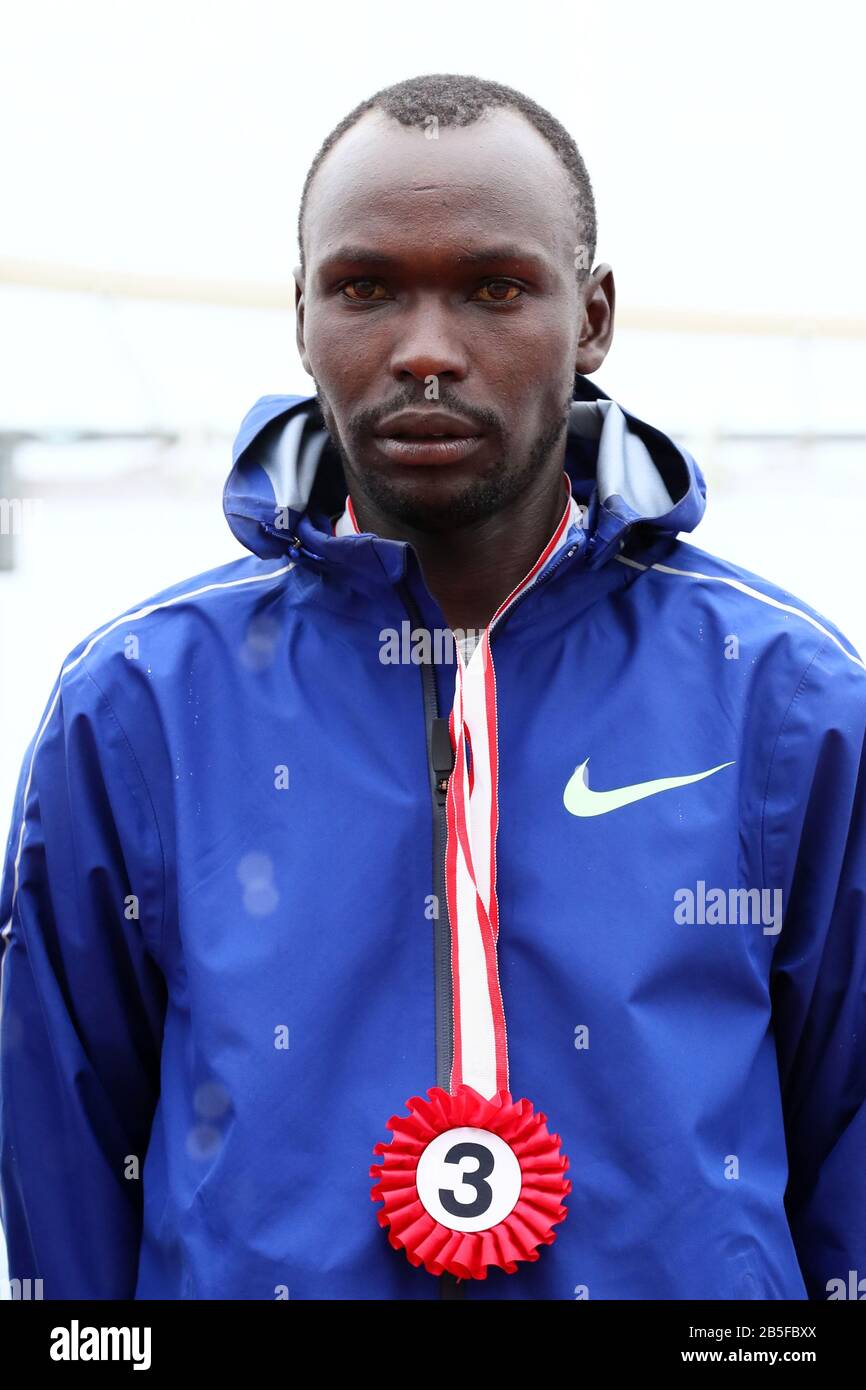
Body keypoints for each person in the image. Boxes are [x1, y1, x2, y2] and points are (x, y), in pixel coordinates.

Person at [1, 72, 864, 1302]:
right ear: (301, 314)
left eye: (493, 288)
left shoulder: (785, 697)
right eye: (364, 288)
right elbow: (64, 1160)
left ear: (595, 317)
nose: (423, 350)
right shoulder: (137, 701)